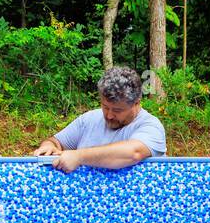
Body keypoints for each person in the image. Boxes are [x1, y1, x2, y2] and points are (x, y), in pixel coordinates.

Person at [32, 66, 167, 172]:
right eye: (105, 107)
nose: (109, 115)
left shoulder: (151, 126)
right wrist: (48, 147)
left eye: (117, 110)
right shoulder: (89, 119)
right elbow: (56, 141)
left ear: (136, 103)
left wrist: (78, 157)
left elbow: (133, 153)